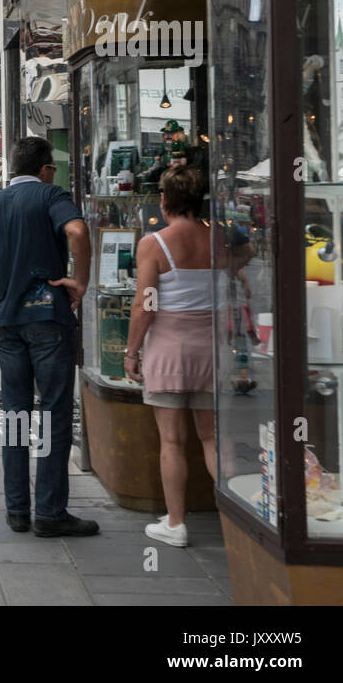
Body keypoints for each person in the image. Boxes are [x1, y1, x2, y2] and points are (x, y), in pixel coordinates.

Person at [0, 135, 96, 538]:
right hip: (48, 319)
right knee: (53, 413)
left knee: (14, 414)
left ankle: (17, 510)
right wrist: (80, 281)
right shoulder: (50, 195)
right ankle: (50, 512)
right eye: (52, 169)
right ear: (44, 169)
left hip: (6, 321)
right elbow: (77, 231)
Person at [124, 167, 218, 547]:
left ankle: (176, 523)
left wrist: (132, 352)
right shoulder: (220, 239)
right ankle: (238, 514)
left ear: (164, 200)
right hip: (211, 349)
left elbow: (145, 305)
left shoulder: (154, 243)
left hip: (169, 351)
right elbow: (241, 262)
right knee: (212, 439)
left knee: (173, 441)